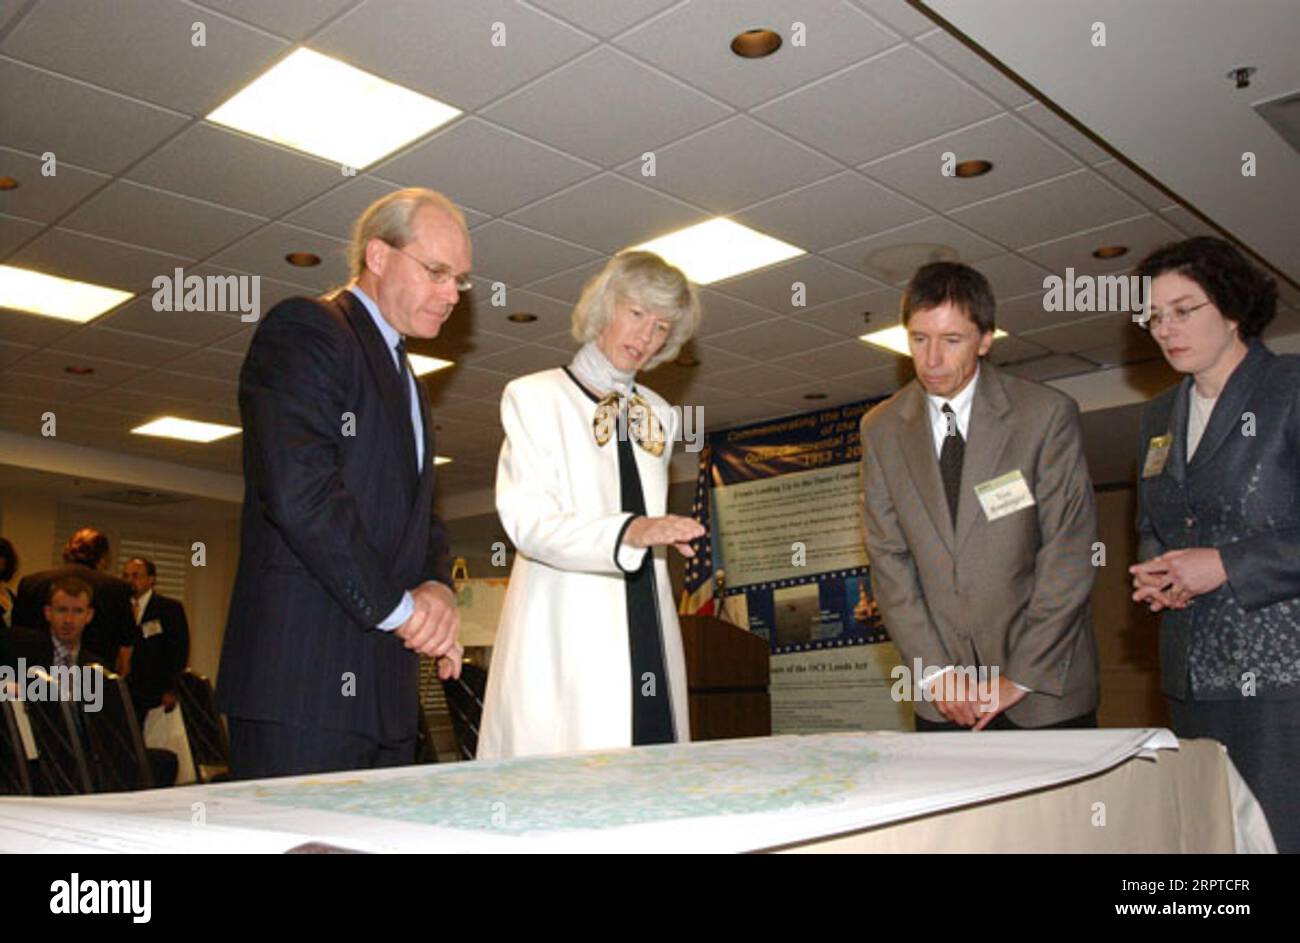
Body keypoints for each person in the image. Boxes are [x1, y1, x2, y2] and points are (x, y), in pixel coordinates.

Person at [217, 187, 466, 779]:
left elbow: (418, 516)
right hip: (302, 688)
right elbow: (299, 493)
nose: (452, 294)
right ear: (378, 257)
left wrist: (436, 590)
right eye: (436, 272)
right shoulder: (308, 328)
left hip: (386, 699)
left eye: (461, 279)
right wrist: (403, 612)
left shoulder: (410, 378)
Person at [478, 251, 704, 759]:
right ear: (605, 308)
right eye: (637, 313)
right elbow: (529, 523)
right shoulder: (534, 397)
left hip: (647, 614)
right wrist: (629, 533)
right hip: (565, 627)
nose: (647, 336)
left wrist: (662, 534)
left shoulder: (661, 416)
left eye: (662, 326)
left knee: (653, 771)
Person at [860, 261, 1099, 730]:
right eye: (918, 338)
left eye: (952, 340)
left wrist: (1019, 676)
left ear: (986, 339)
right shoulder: (881, 428)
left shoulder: (1045, 416)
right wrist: (935, 672)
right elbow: (889, 560)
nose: (931, 360)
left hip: (1043, 692)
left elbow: (1069, 555)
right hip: (943, 697)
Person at [1129, 236, 1299, 853]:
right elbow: (1158, 523)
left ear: (1231, 308)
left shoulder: (1290, 387)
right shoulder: (1156, 418)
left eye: (1183, 309)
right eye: (1154, 318)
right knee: (1212, 849)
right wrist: (1157, 573)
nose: (1164, 329)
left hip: (1282, 682)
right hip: (1192, 679)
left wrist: (1226, 564)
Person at [11, 576, 178, 789]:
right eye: (62, 610)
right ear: (48, 613)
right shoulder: (19, 650)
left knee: (162, 761)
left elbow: (107, 725)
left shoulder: (97, 666)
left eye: (77, 611)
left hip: (84, 750)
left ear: (88, 616)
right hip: (35, 750)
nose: (69, 620)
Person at [13, 528, 136, 676]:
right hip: (93, 675)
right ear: (103, 559)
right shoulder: (116, 589)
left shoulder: (32, 583)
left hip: (35, 671)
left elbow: (17, 632)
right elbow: (126, 644)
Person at [121, 557, 190, 727]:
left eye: (136, 575)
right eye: (126, 576)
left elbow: (179, 651)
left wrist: (171, 688)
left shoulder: (169, 609)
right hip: (122, 688)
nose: (130, 581)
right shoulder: (118, 607)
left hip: (154, 689)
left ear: (151, 579)